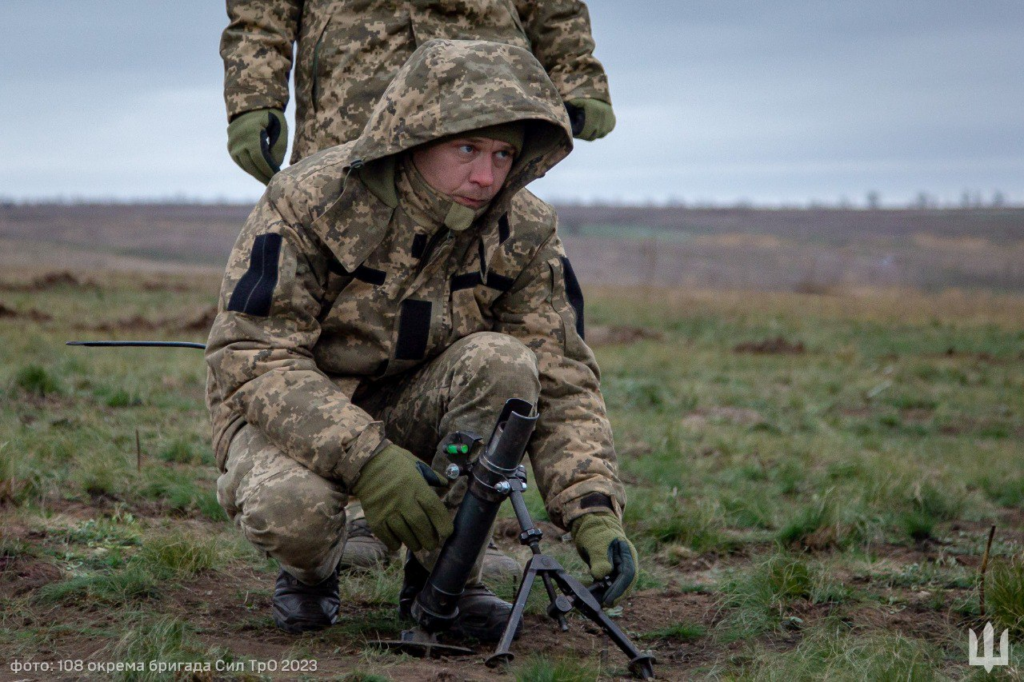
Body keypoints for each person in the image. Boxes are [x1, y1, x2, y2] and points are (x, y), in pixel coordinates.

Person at [205, 39, 636, 639]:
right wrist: (371, 461)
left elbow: (560, 376)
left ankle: (445, 584)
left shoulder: (526, 230)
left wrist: (592, 510)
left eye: (503, 154)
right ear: (413, 136)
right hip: (285, 415)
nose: (486, 176)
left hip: (419, 403)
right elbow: (253, 357)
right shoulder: (309, 201)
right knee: (294, 513)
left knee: (504, 364)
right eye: (466, 148)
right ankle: (310, 571)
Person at [221, 0, 616, 185]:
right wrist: (254, 98)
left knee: (488, 243)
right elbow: (260, 10)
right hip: (353, 90)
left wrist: (577, 74)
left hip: (484, 83)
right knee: (335, 248)